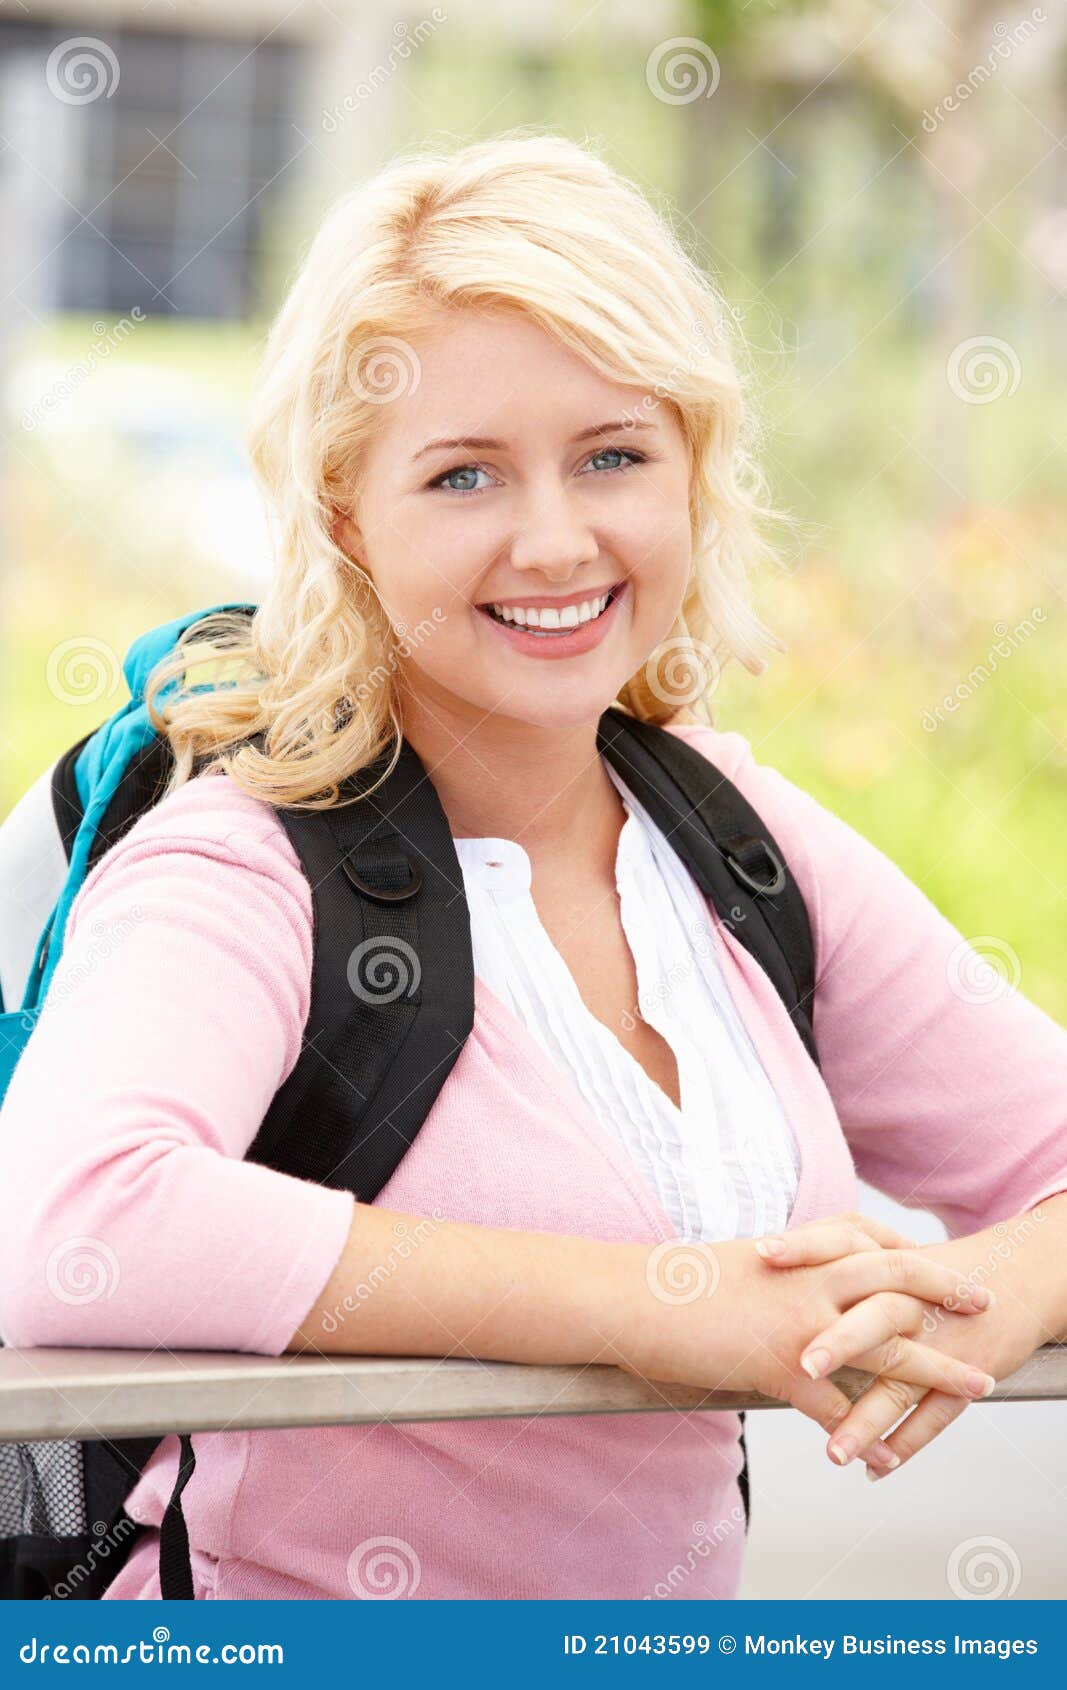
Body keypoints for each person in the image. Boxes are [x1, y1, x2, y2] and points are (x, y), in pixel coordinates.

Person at [1, 133, 1065, 1602]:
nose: (556, 540)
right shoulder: (242, 859)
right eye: (464, 476)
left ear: (694, 470)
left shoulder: (733, 838)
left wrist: (999, 1294)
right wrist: (651, 1304)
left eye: (614, 455)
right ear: (343, 520)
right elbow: (71, 1222)